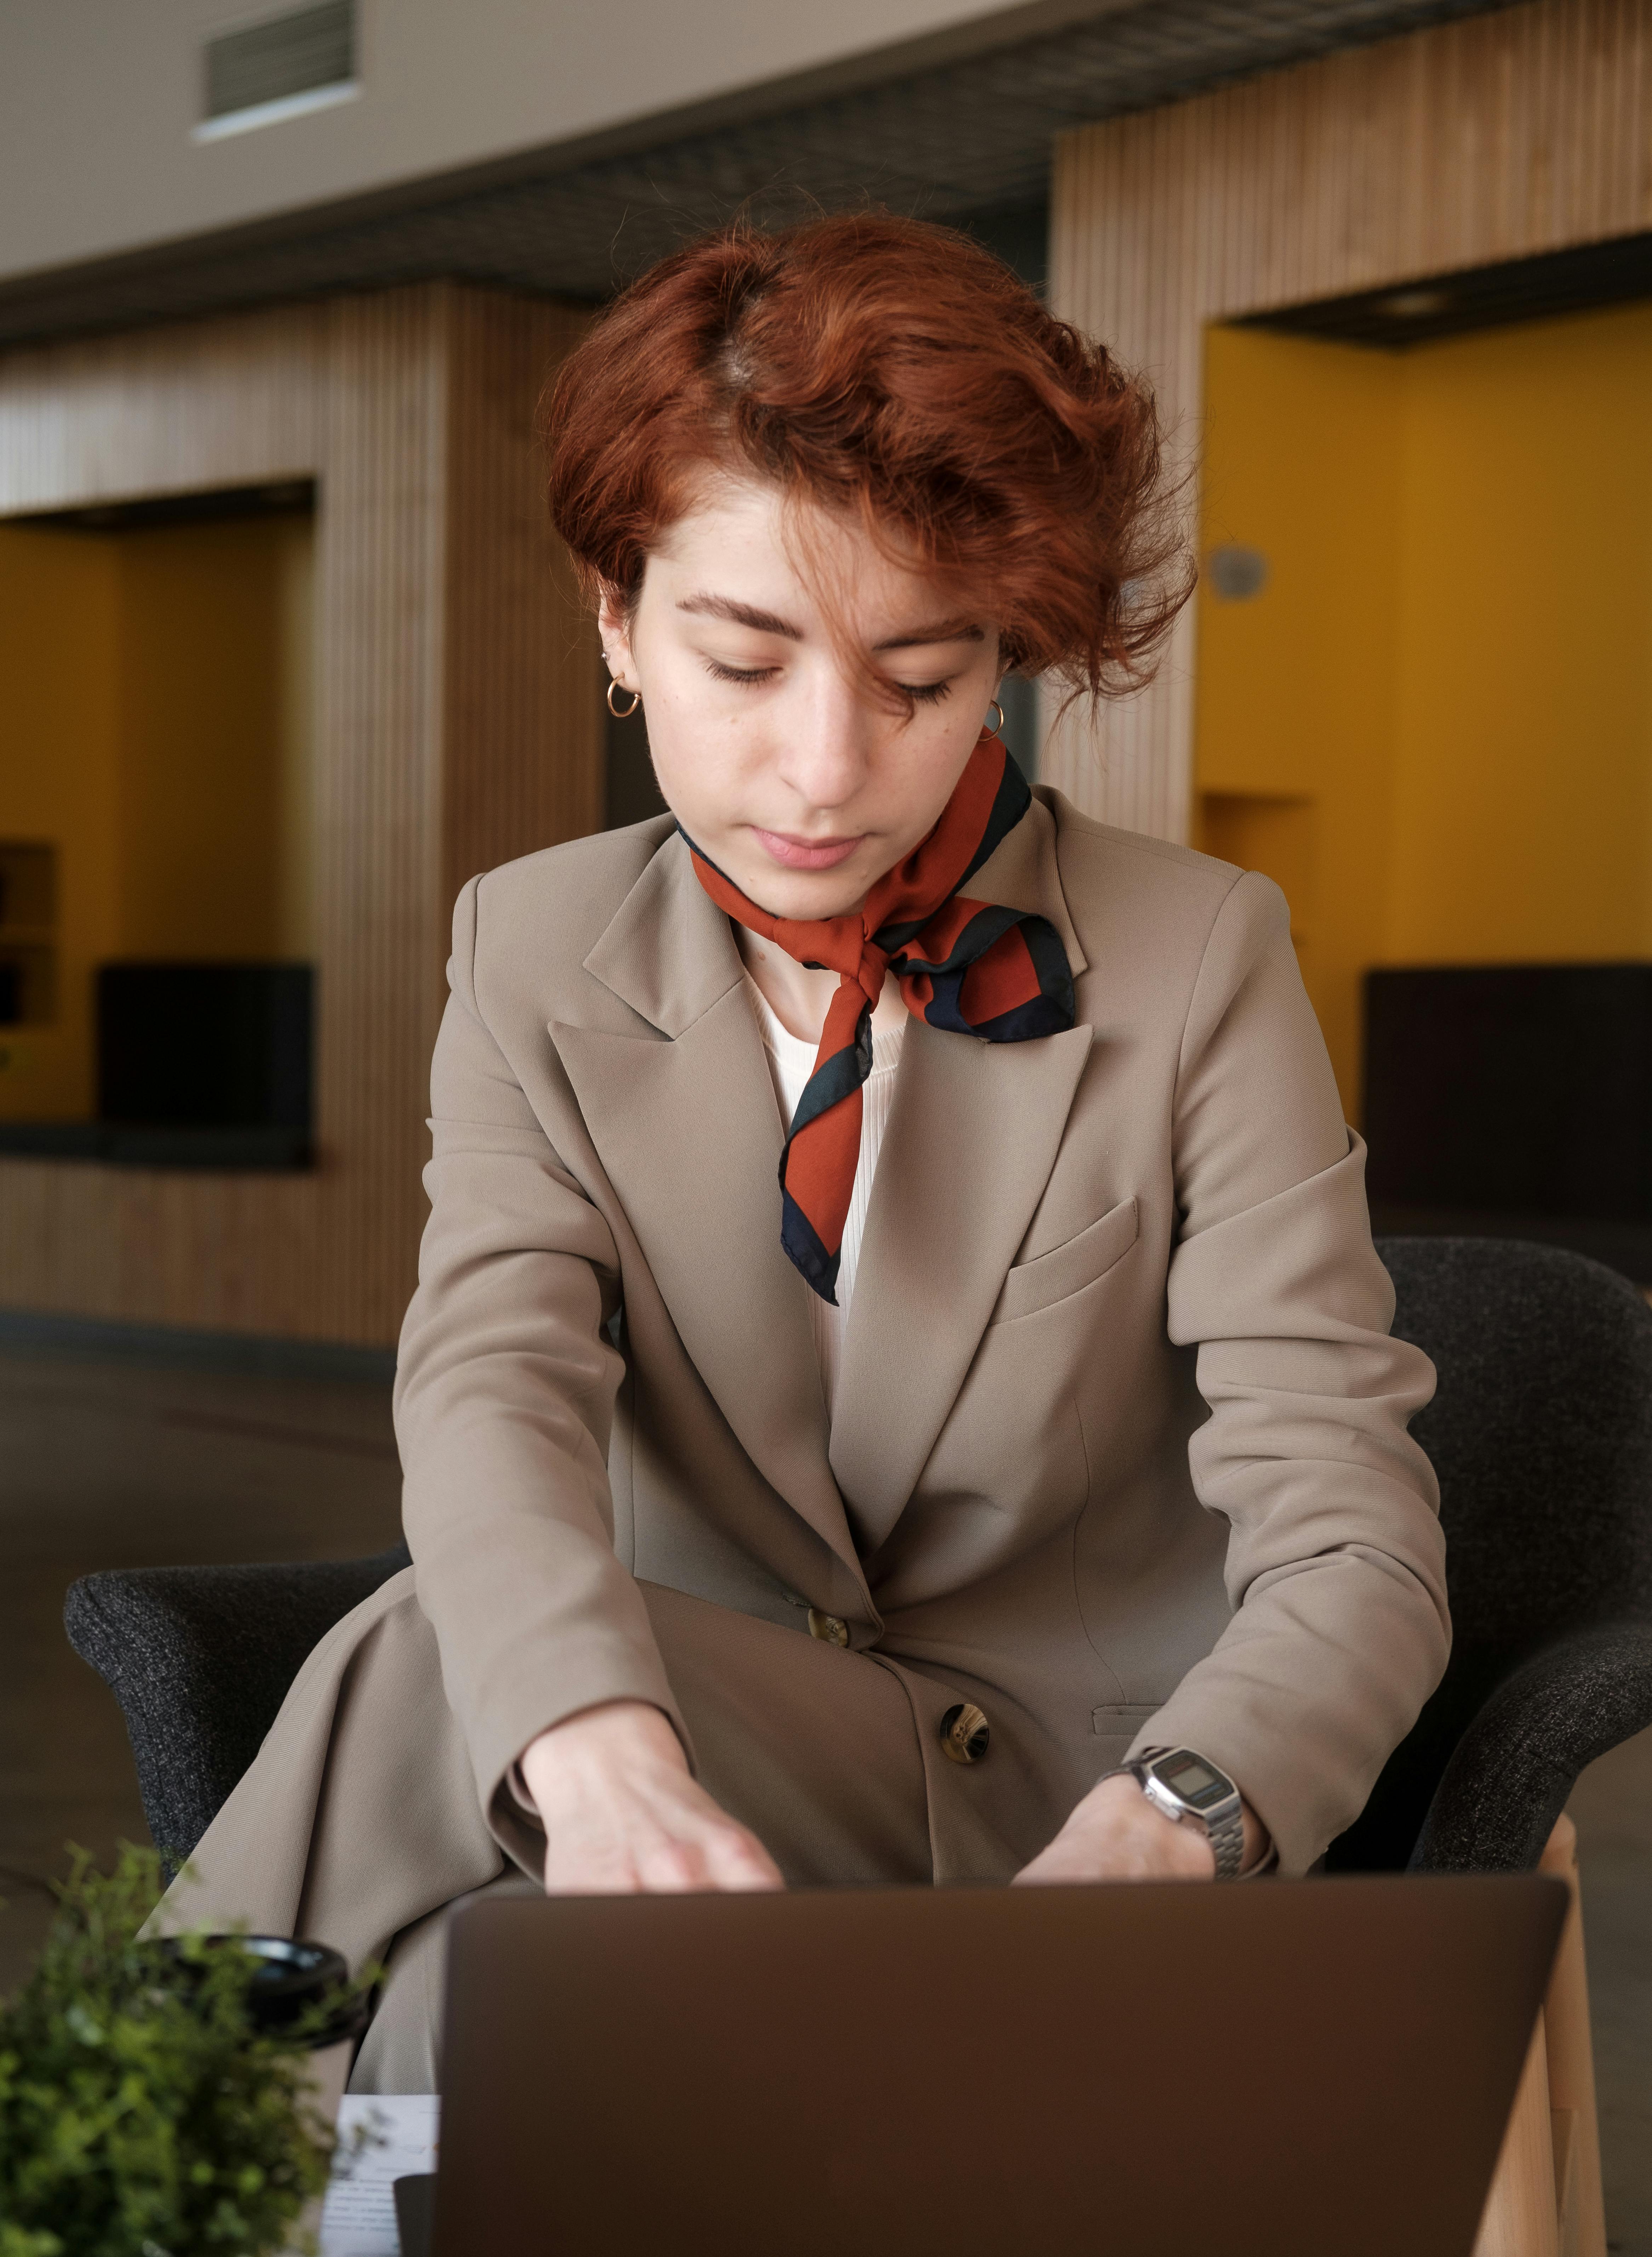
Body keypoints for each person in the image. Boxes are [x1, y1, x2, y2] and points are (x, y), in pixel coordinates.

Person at [161, 214, 1449, 2090]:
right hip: (708, 1791)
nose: (826, 770)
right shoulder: (530, 945)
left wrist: (1183, 1810)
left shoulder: (1195, 954)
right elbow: (490, 1380)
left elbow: (1358, 1536)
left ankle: (91, 2223)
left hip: (1066, 1820)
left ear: (1003, 647)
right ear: (616, 615)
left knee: (430, 1650)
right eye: (744, 663)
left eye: (921, 679)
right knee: (466, 1989)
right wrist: (600, 1765)